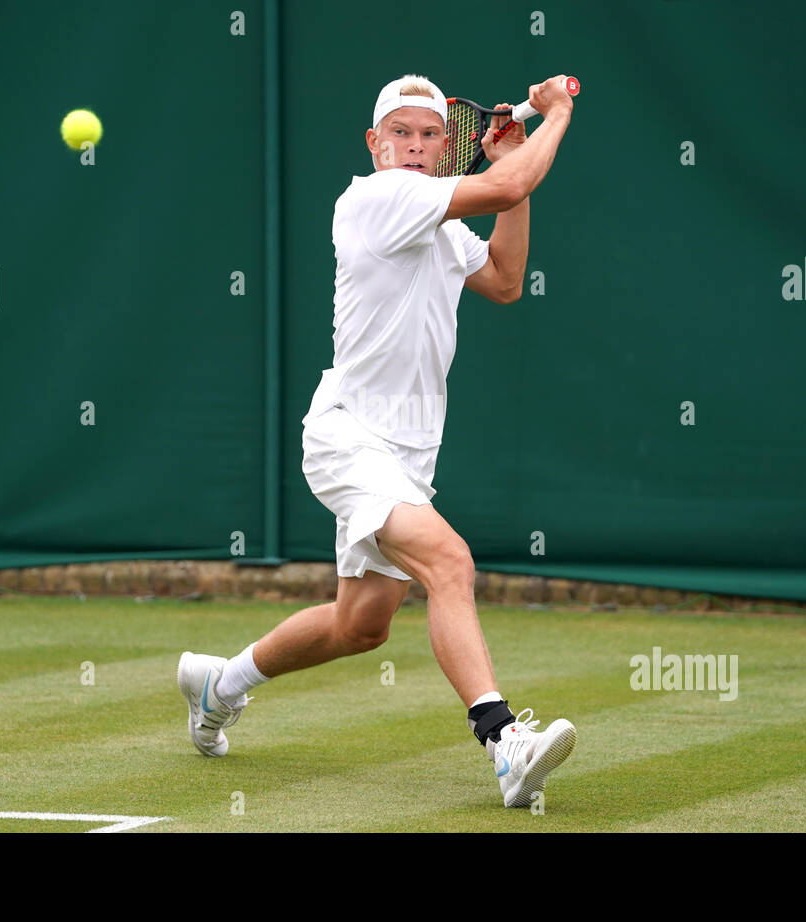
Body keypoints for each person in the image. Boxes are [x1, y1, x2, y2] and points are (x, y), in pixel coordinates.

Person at [178, 73, 577, 807]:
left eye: (431, 135)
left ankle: (218, 683)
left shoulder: (437, 220)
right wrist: (554, 118)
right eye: (403, 134)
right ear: (376, 144)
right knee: (450, 562)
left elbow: (506, 278)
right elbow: (503, 187)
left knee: (361, 625)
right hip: (349, 438)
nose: (419, 147)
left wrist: (513, 161)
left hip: (409, 453)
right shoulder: (374, 197)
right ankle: (504, 742)